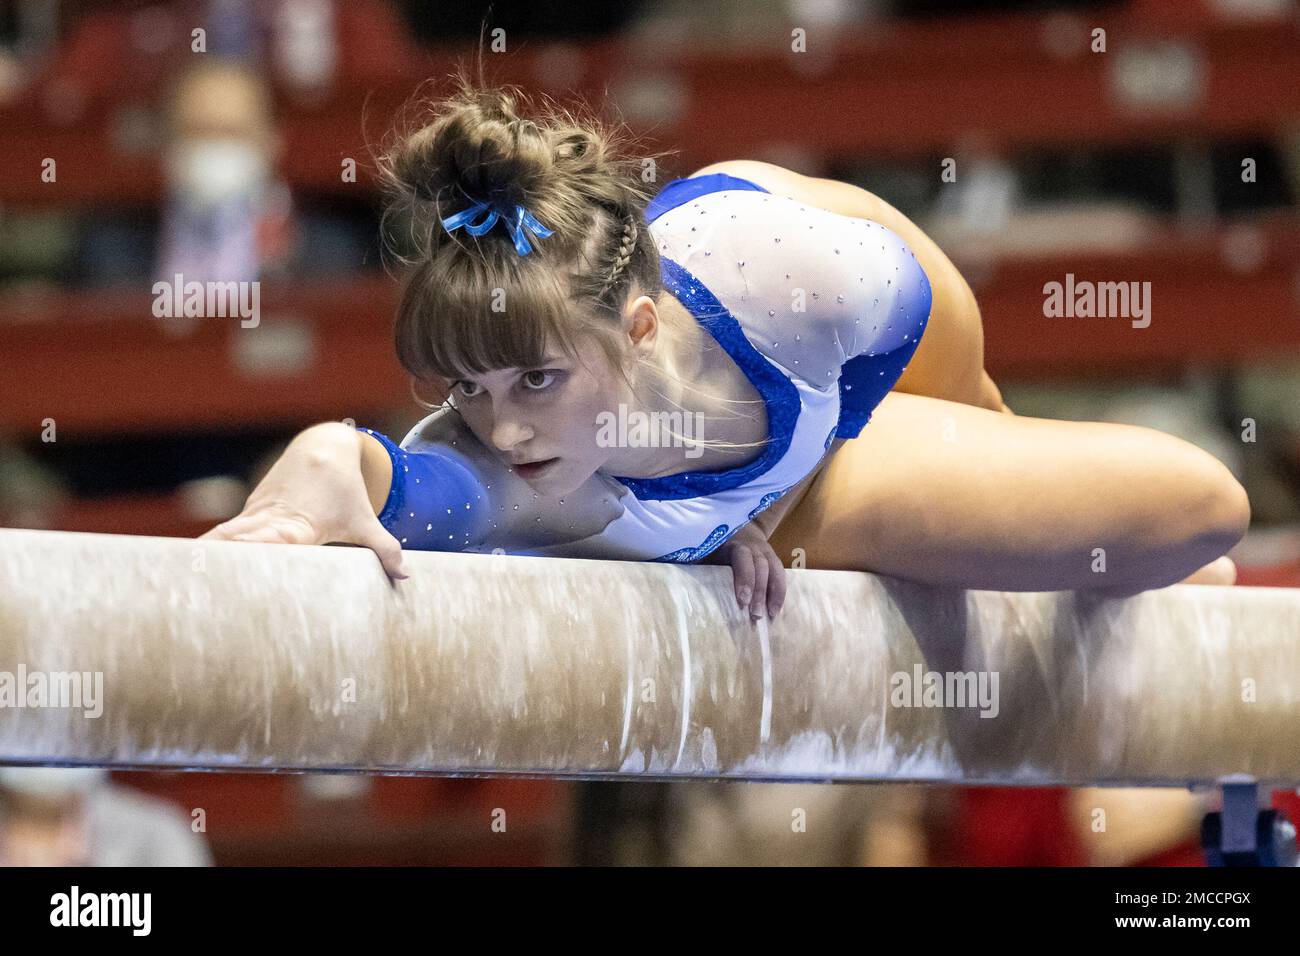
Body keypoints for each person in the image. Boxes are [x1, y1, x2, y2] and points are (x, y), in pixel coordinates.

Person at [201, 69, 1248, 618]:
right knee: (1201, 514)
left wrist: (771, 496)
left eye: (539, 378)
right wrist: (324, 467)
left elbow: (906, 336)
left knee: (1184, 508)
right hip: (772, 477)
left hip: (820, 334)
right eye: (469, 388)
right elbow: (415, 488)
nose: (506, 424)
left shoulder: (805, 281)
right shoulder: (517, 465)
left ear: (639, 327)